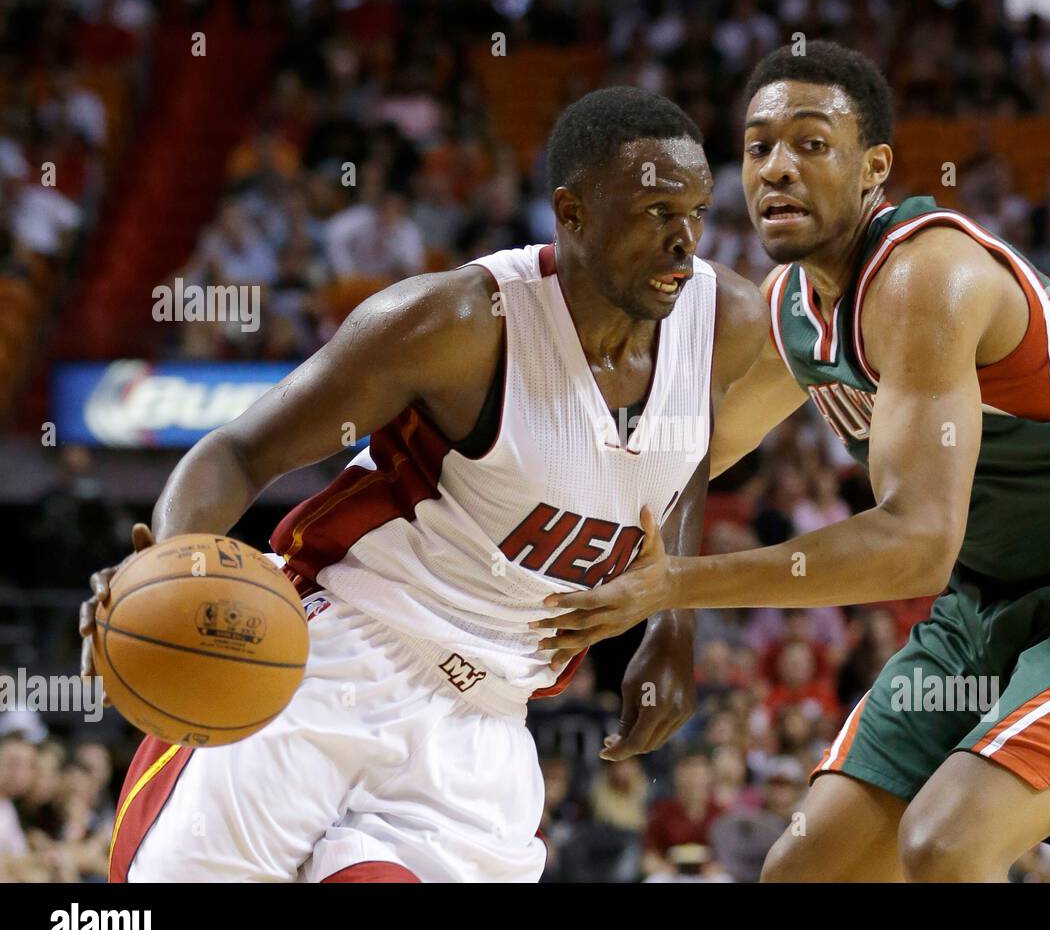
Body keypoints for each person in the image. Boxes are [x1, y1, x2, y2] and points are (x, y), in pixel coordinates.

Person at [537, 42, 1050, 883]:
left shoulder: (930, 277)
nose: (776, 168)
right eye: (758, 146)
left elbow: (916, 543)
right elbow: (686, 452)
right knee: (807, 871)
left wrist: (679, 585)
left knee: (947, 844)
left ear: (872, 167)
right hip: (989, 598)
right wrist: (667, 626)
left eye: (811, 144)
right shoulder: (792, 309)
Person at [78, 87, 770, 883]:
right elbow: (239, 451)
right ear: (571, 213)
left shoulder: (726, 320)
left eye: (695, 211)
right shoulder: (457, 326)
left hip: (484, 728)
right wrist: (170, 566)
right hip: (329, 668)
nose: (684, 241)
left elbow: (682, 458)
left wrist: (670, 624)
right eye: (653, 212)